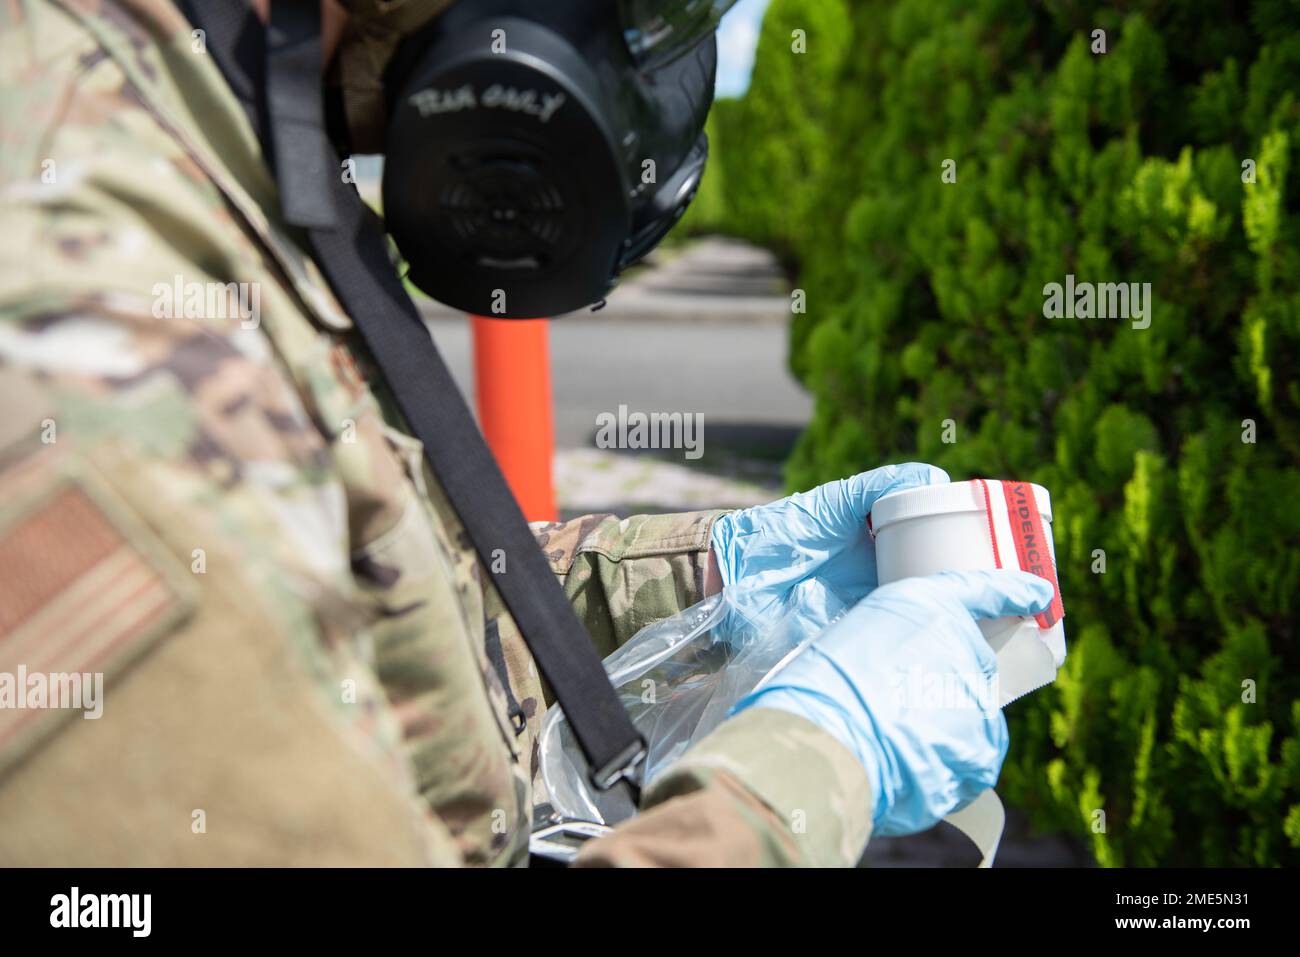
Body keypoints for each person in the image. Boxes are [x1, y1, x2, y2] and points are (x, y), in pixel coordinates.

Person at [0, 0, 1055, 866]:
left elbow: (365, 600)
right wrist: (808, 771)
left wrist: (712, 580)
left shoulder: (205, 142)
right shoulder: (90, 315)